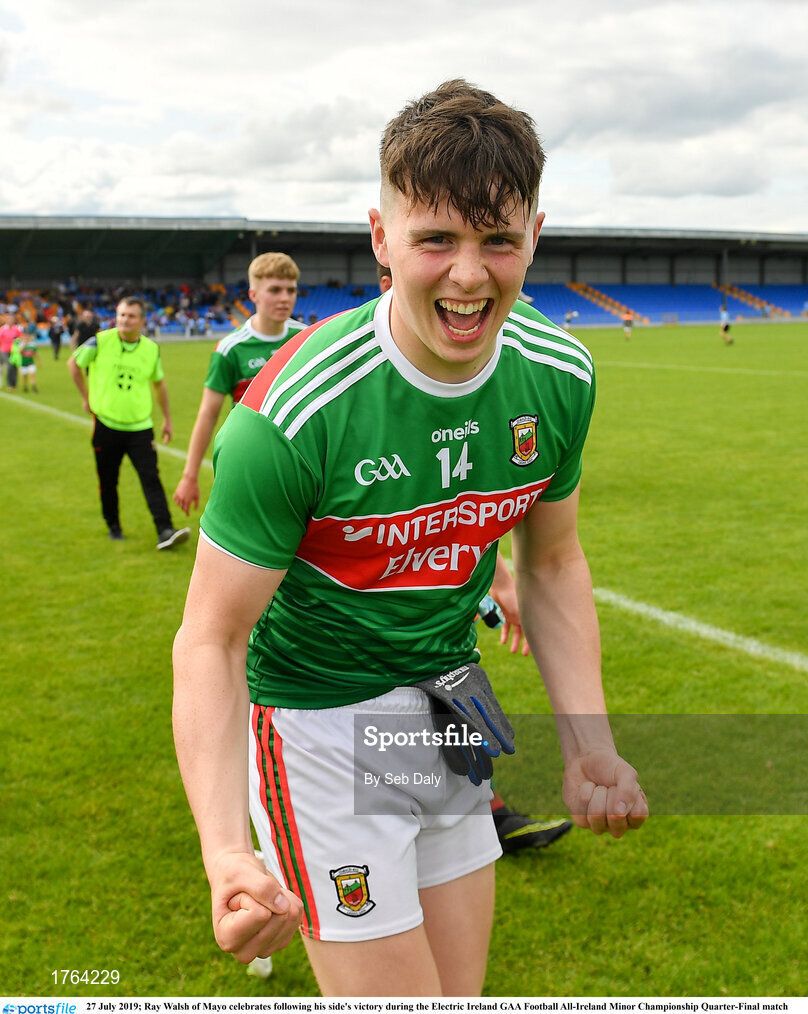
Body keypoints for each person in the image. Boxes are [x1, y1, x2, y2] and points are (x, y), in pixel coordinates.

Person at [173, 79, 647, 998]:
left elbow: (549, 561)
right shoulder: (294, 415)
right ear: (381, 238)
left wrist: (587, 742)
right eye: (437, 239)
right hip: (315, 722)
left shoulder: (560, 375)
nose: (470, 275)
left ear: (534, 237)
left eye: (497, 241)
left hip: (446, 707)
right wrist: (227, 846)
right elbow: (211, 637)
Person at [381, 260, 573, 854]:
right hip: (352, 641)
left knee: (452, 696)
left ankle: (483, 811)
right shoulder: (362, 393)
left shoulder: (487, 388)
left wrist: (500, 584)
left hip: (440, 617)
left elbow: (462, 513)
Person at [173, 252, 305, 516]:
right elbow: (208, 413)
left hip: (300, 462)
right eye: (275, 290)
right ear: (253, 295)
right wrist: (189, 476)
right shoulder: (230, 349)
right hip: (249, 462)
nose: (285, 298)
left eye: (291, 290)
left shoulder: (306, 339)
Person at [68, 296, 190, 550]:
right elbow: (74, 364)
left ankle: (164, 529)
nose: (125, 320)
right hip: (106, 425)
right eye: (121, 315)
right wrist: (86, 397)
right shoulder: (99, 342)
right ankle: (113, 526)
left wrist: (167, 418)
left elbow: (159, 384)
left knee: (151, 478)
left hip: (140, 428)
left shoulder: (151, 349)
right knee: (108, 480)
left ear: (142, 321)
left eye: (131, 316)